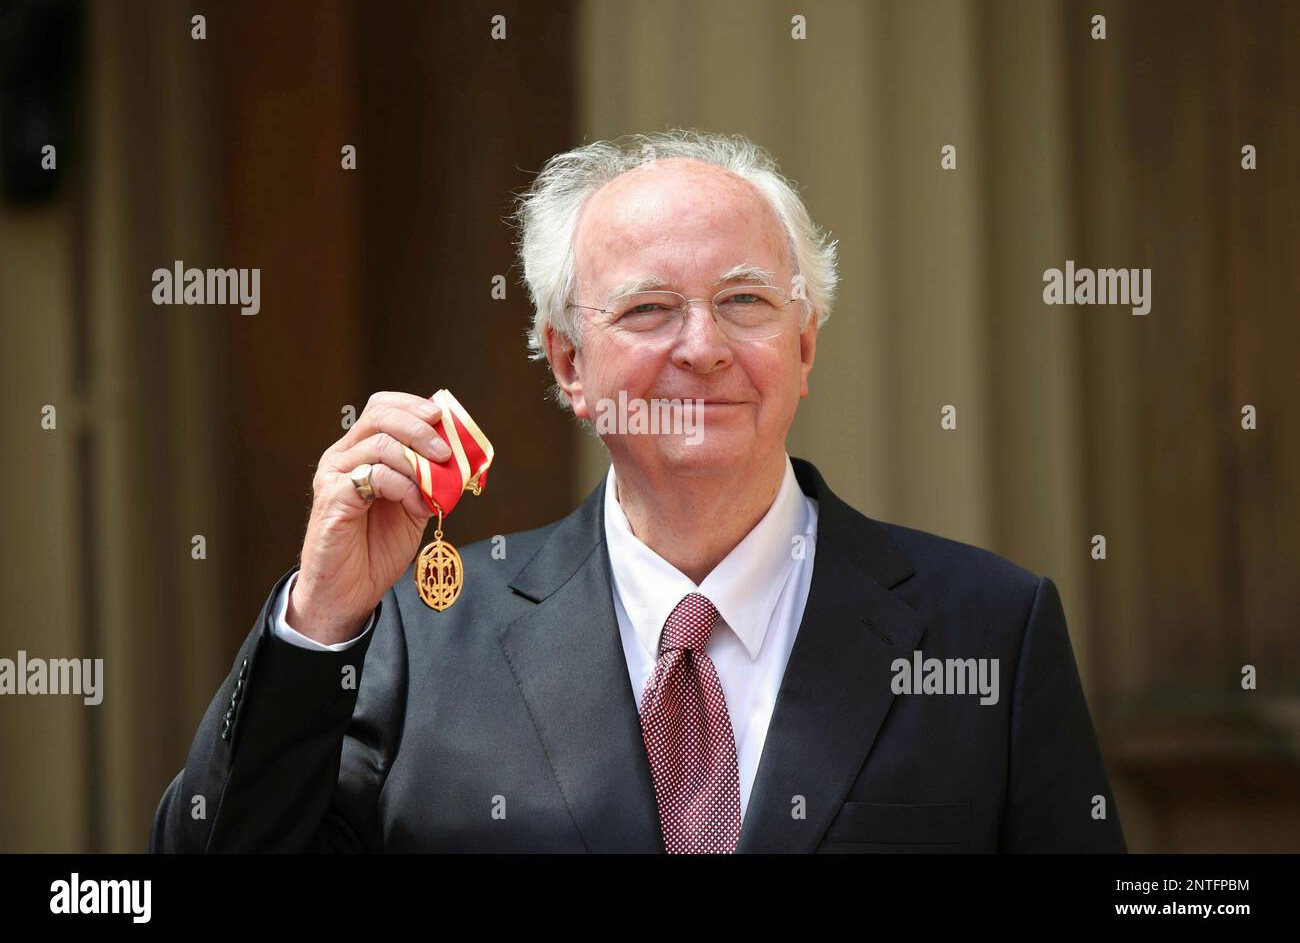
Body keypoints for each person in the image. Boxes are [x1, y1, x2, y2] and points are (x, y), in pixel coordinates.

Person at [149, 129, 1126, 853]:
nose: (701, 348)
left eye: (744, 301)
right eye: (650, 308)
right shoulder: (418, 633)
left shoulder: (990, 628)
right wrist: (319, 617)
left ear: (803, 343)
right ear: (569, 362)